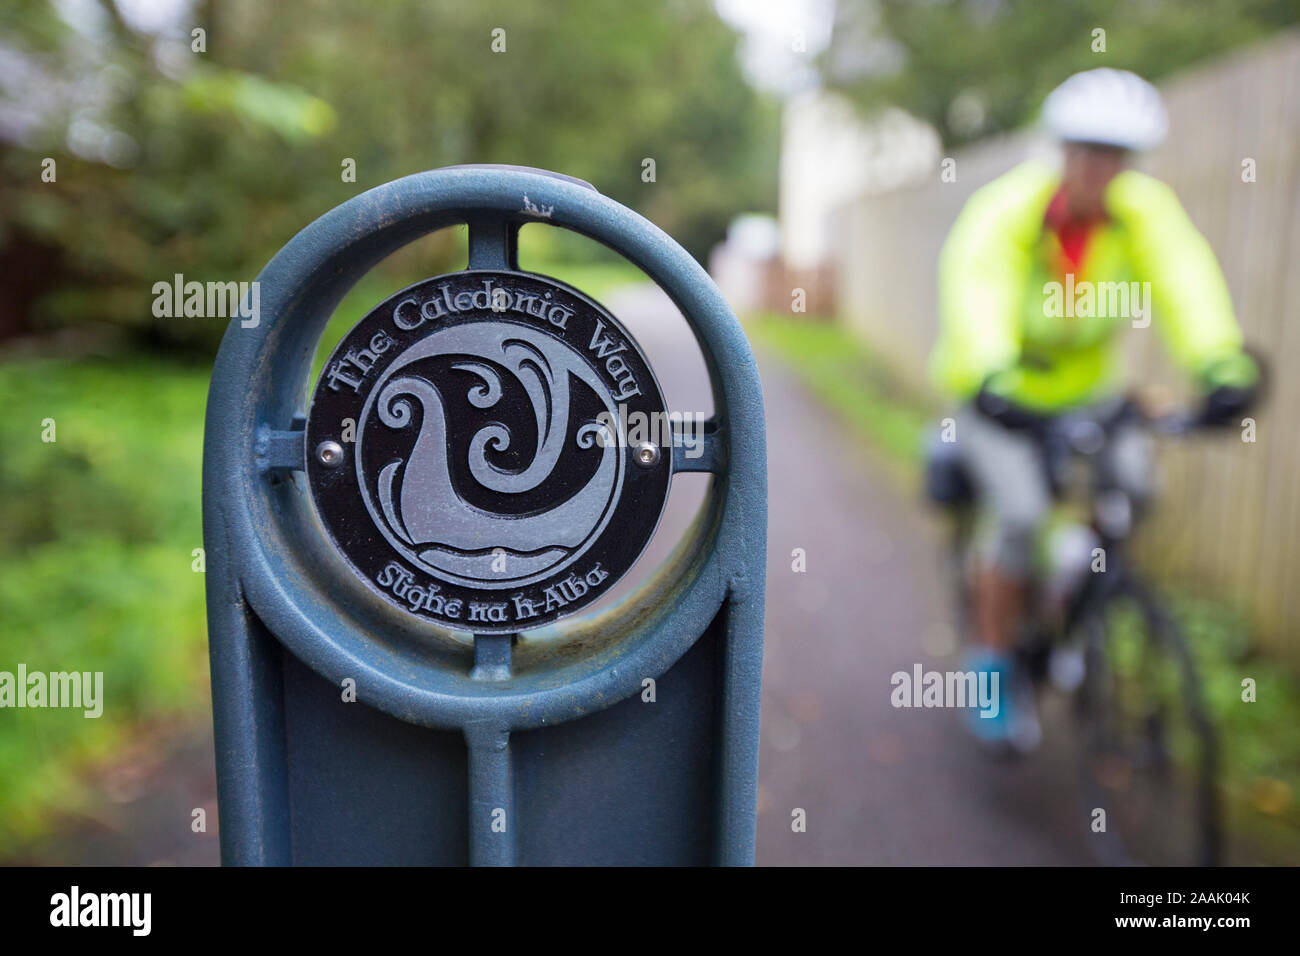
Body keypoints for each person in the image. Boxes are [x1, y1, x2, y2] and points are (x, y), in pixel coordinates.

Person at [928, 68, 1259, 751]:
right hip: (1002, 394)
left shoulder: (1144, 211)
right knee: (1018, 517)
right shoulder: (1009, 209)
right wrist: (991, 372)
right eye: (1085, 150)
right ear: (1061, 150)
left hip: (1088, 392)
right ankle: (990, 671)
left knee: (1136, 489)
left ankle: (1074, 601)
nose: (1098, 168)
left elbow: (1185, 281)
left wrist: (1221, 366)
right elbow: (978, 284)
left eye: (1114, 156)